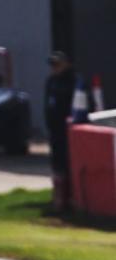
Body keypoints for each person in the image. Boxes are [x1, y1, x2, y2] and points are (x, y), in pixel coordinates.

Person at [46, 50, 81, 211]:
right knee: (57, 163)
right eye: (53, 65)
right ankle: (58, 199)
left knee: (69, 162)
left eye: (58, 64)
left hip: (68, 128)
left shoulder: (73, 82)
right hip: (55, 129)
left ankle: (72, 198)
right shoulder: (51, 81)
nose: (55, 68)